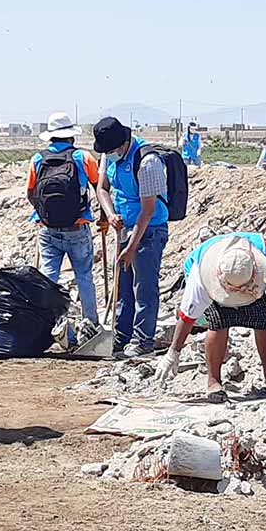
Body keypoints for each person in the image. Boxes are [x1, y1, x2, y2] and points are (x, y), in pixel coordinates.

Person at [155, 231, 266, 401]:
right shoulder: (200, 278)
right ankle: (213, 382)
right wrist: (173, 352)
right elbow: (187, 318)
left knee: (263, 322)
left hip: (250, 285)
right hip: (212, 275)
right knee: (218, 323)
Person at [93, 117, 170, 356]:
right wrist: (110, 213)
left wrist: (132, 246)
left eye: (111, 151)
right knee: (123, 286)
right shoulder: (109, 155)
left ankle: (143, 341)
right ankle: (121, 336)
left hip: (149, 230)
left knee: (144, 287)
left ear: (124, 143)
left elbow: (148, 210)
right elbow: (102, 188)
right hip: (124, 228)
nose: (108, 154)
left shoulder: (147, 162)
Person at [25, 112, 101, 334]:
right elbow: (99, 188)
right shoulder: (83, 158)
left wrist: (44, 213)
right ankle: (91, 326)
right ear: (72, 137)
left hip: (47, 230)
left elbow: (31, 193)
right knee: (84, 277)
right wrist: (104, 218)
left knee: (50, 278)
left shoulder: (37, 159)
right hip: (77, 227)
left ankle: (54, 325)